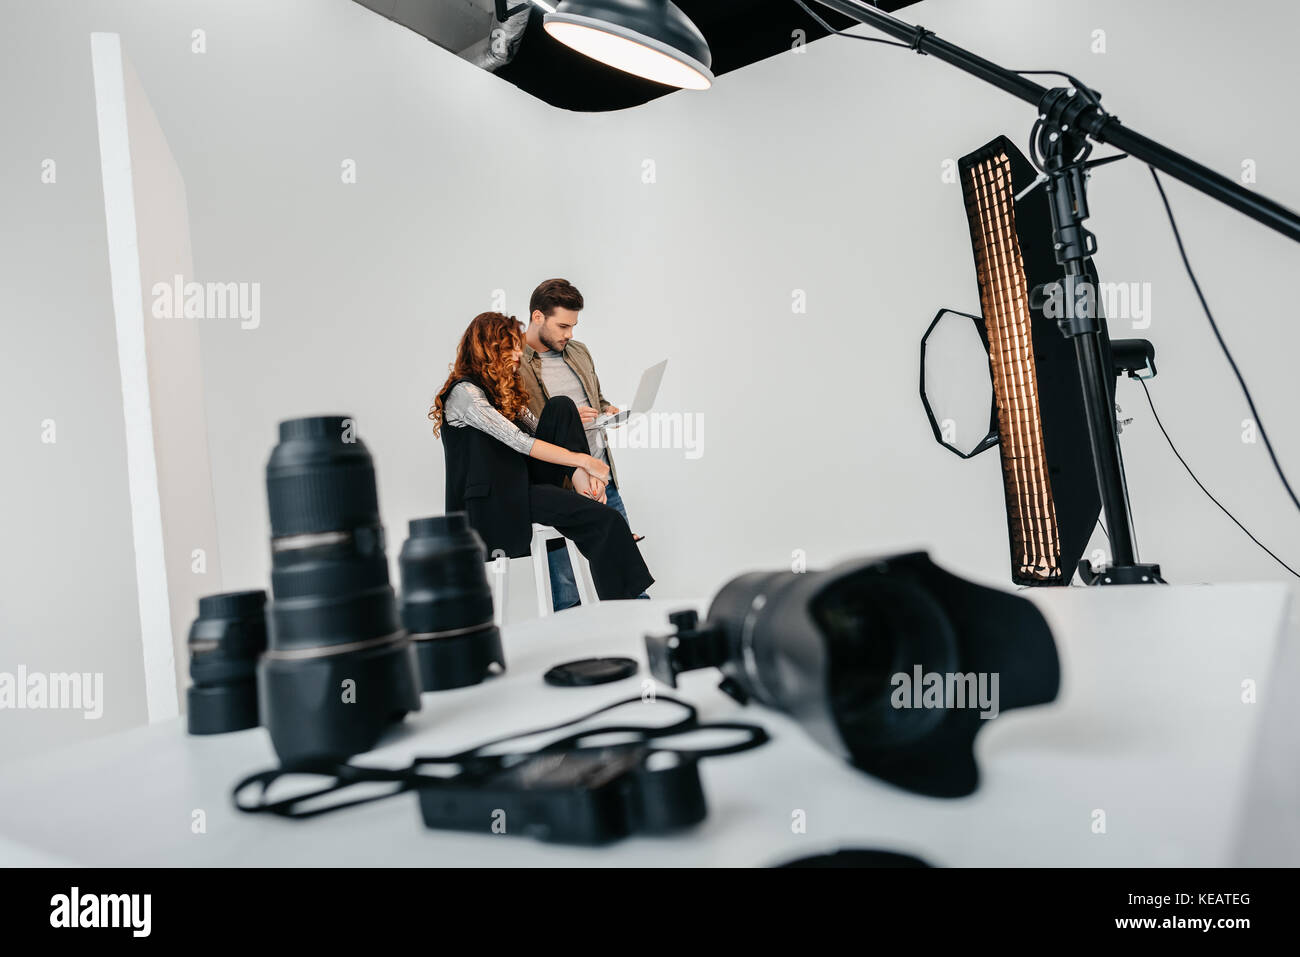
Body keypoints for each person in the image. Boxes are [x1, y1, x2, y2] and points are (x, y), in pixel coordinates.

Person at [428, 311, 653, 603]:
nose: (518, 354)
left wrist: (580, 473)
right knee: (606, 520)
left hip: (521, 486)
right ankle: (626, 607)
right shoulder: (465, 394)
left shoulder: (504, 392)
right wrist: (582, 460)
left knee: (561, 407)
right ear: (489, 349)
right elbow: (521, 442)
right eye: (510, 347)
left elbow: (543, 433)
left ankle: (585, 490)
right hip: (494, 502)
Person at [517, 278, 646, 610]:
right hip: (558, 481)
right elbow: (519, 426)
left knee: (625, 564)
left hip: (600, 475)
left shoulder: (579, 352)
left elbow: (596, 397)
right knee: (563, 582)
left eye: (573, 326)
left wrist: (606, 409)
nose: (569, 334)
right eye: (562, 325)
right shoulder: (514, 363)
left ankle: (639, 625)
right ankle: (573, 648)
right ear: (537, 317)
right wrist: (567, 415)